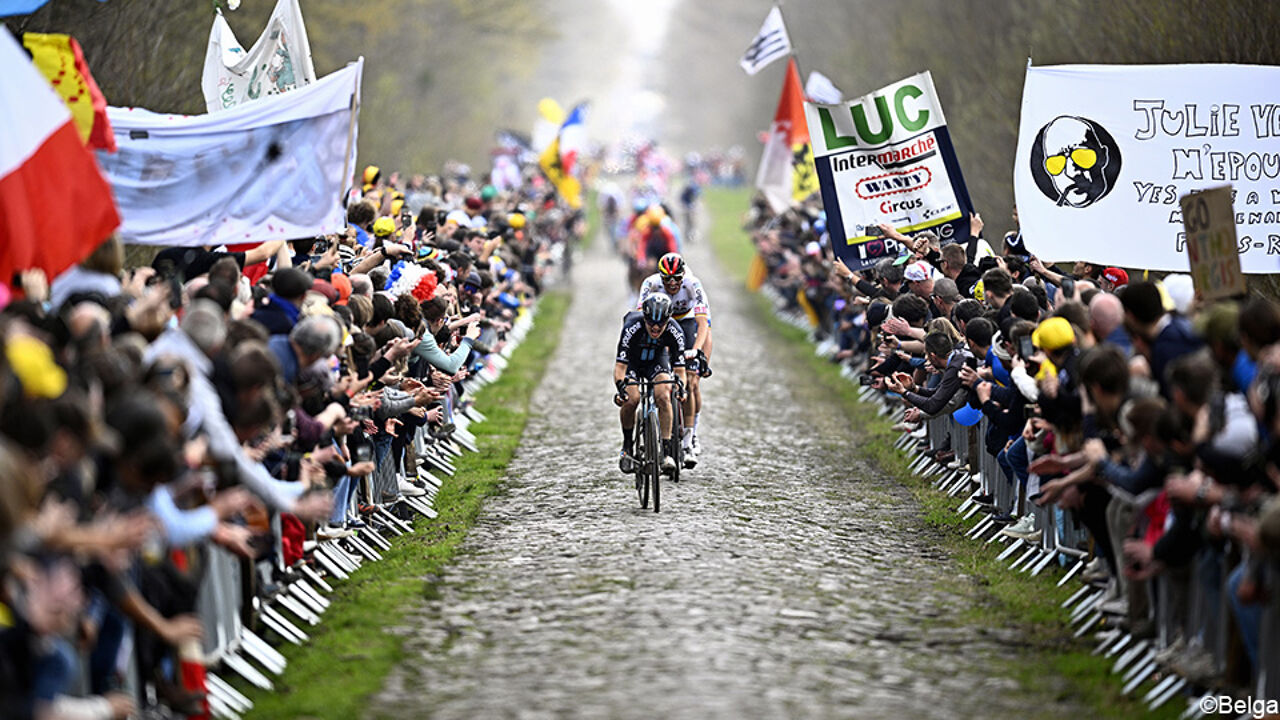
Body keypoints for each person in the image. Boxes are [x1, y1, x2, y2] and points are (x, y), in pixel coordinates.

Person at [637, 253, 712, 466]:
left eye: (676, 279)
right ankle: (651, 419)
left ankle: (689, 438)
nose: (672, 284)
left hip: (689, 322)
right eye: (667, 279)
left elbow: (702, 324)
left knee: (690, 381)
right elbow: (640, 315)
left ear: (683, 275)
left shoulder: (692, 284)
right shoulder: (650, 283)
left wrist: (696, 350)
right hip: (663, 323)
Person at [614, 294, 688, 476]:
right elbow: (620, 367)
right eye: (651, 323)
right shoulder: (632, 326)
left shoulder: (675, 331)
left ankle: (666, 450)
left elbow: (680, 371)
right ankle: (627, 446)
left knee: (663, 395)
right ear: (644, 318)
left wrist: (681, 388)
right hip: (632, 361)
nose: (655, 328)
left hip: (657, 360)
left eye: (661, 324)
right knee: (632, 400)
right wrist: (620, 388)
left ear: (668, 320)